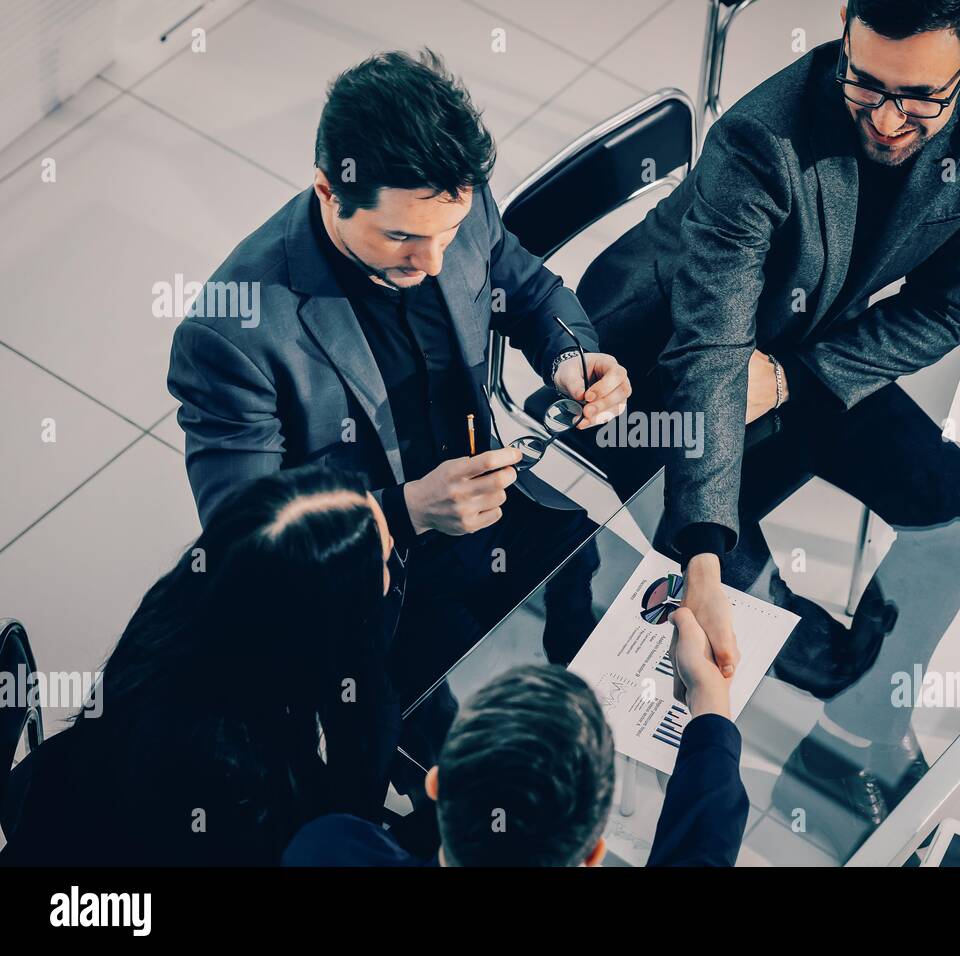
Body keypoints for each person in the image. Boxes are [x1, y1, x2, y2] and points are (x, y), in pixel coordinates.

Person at [569, 0, 960, 834]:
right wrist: (703, 556)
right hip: (655, 368)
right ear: (844, 36)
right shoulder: (760, 139)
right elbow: (708, 351)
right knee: (766, 615)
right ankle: (837, 700)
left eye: (920, 97)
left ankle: (856, 734)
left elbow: (954, 305)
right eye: (864, 82)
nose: (888, 119)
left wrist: (793, 378)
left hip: (800, 355)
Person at [167, 49, 631, 703]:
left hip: (497, 505)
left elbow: (521, 286)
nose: (436, 261)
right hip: (364, 588)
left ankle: (579, 695)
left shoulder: (448, 200)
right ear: (330, 191)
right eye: (403, 241)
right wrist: (406, 511)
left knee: (588, 586)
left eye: (448, 232)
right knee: (446, 751)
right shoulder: (231, 336)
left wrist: (569, 360)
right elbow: (247, 545)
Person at [1, 466, 398, 866]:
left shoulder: (183, 613)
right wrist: (364, 658)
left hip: (65, 803)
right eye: (381, 561)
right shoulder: (233, 776)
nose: (390, 565)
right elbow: (341, 835)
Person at [283, 608, 748, 867]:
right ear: (593, 856)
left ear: (436, 784)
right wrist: (707, 692)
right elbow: (704, 843)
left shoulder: (323, 847)